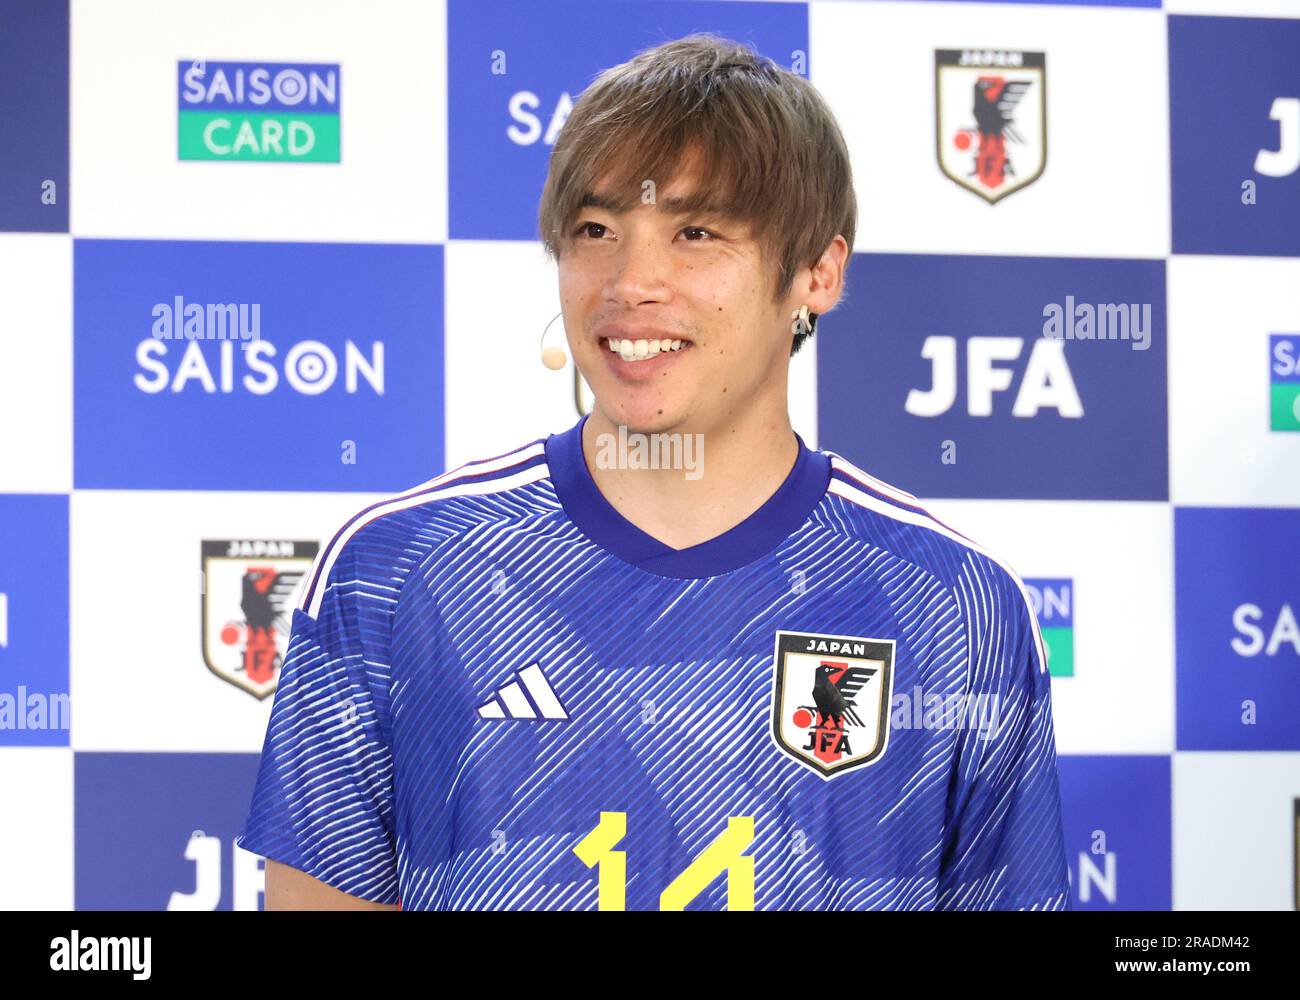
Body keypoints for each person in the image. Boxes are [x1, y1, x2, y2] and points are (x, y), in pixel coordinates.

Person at [236, 32, 1070, 911]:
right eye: (595, 230)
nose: (631, 282)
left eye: (695, 232)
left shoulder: (954, 602)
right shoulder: (398, 569)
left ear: (817, 274)